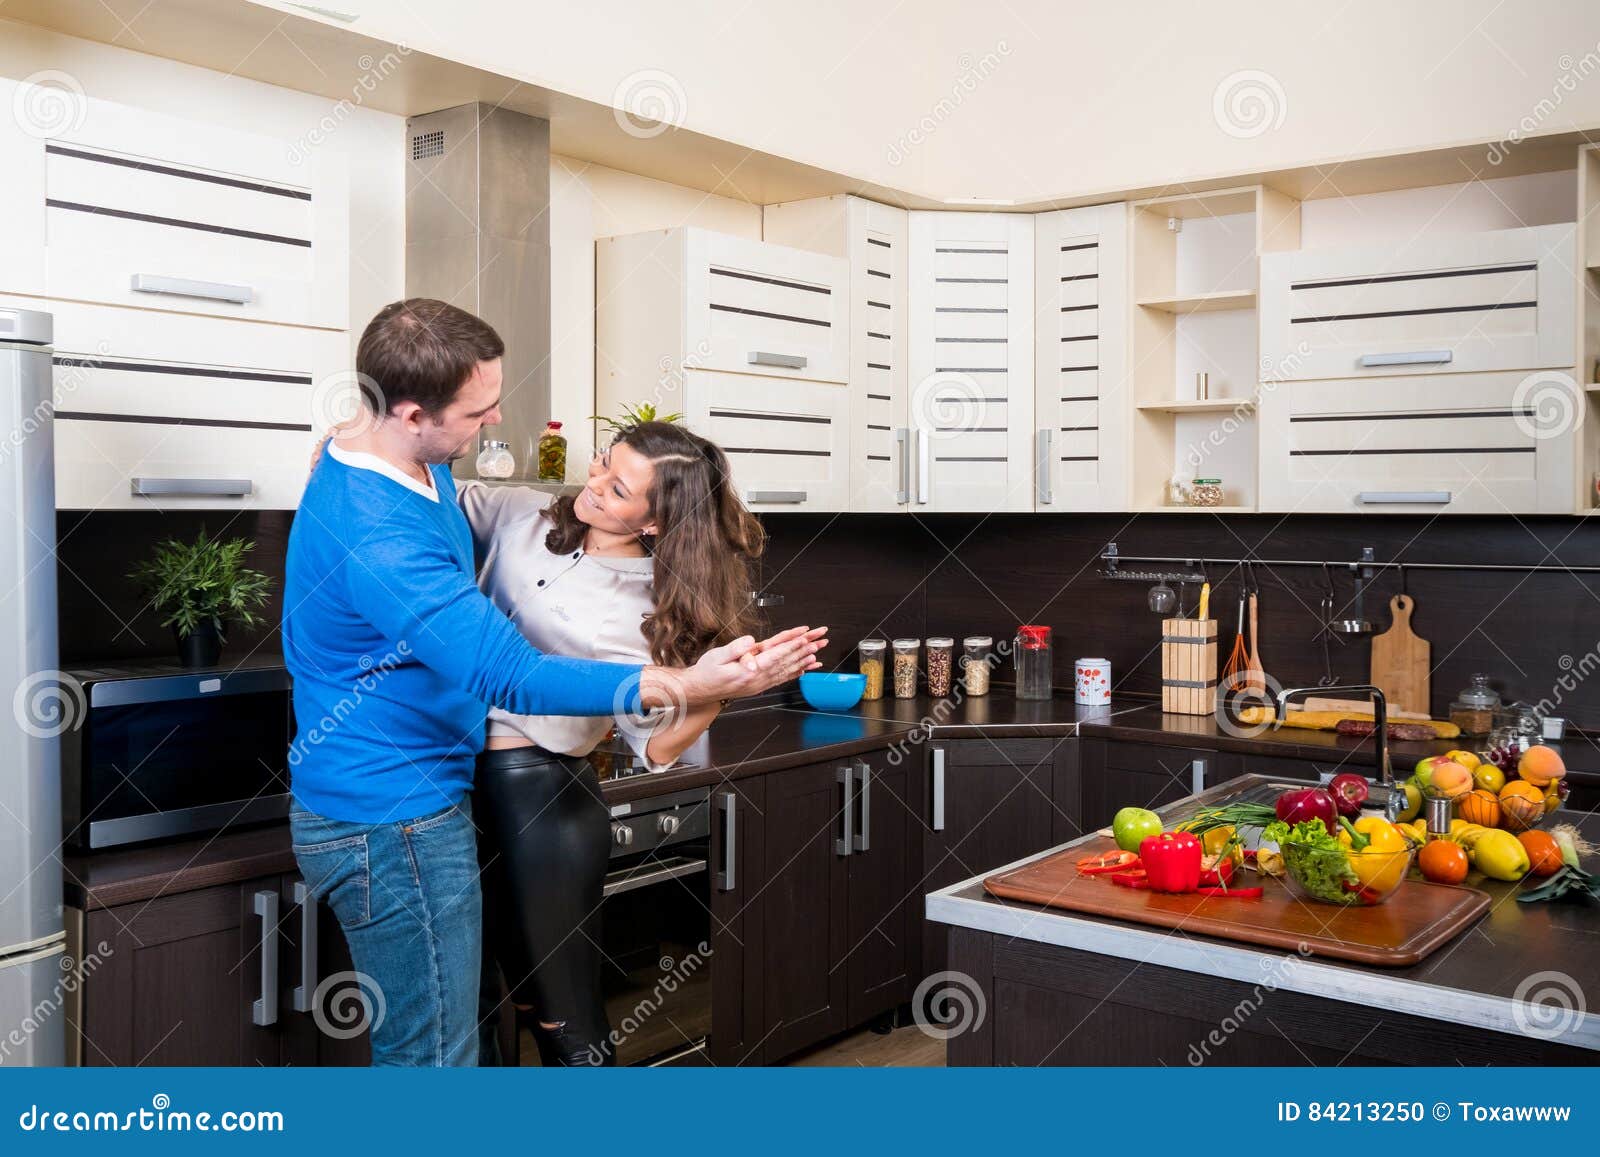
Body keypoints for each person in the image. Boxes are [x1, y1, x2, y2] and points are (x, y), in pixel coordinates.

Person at [283, 299, 823, 1066]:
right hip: (399, 812)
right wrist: (684, 679)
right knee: (438, 1050)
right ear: (410, 414)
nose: (496, 419)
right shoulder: (404, 529)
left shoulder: (419, 466)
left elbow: (655, 744)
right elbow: (509, 672)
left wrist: (711, 686)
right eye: (477, 408)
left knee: (526, 1018)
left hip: (503, 794)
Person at [458, 420, 769, 1066]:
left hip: (542, 802)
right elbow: (433, 496)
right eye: (602, 462)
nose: (593, 483)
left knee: (561, 1014)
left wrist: (724, 689)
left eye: (618, 489)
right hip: (454, 788)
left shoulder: (650, 608)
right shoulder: (522, 514)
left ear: (654, 522)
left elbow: (656, 747)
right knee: (480, 1005)